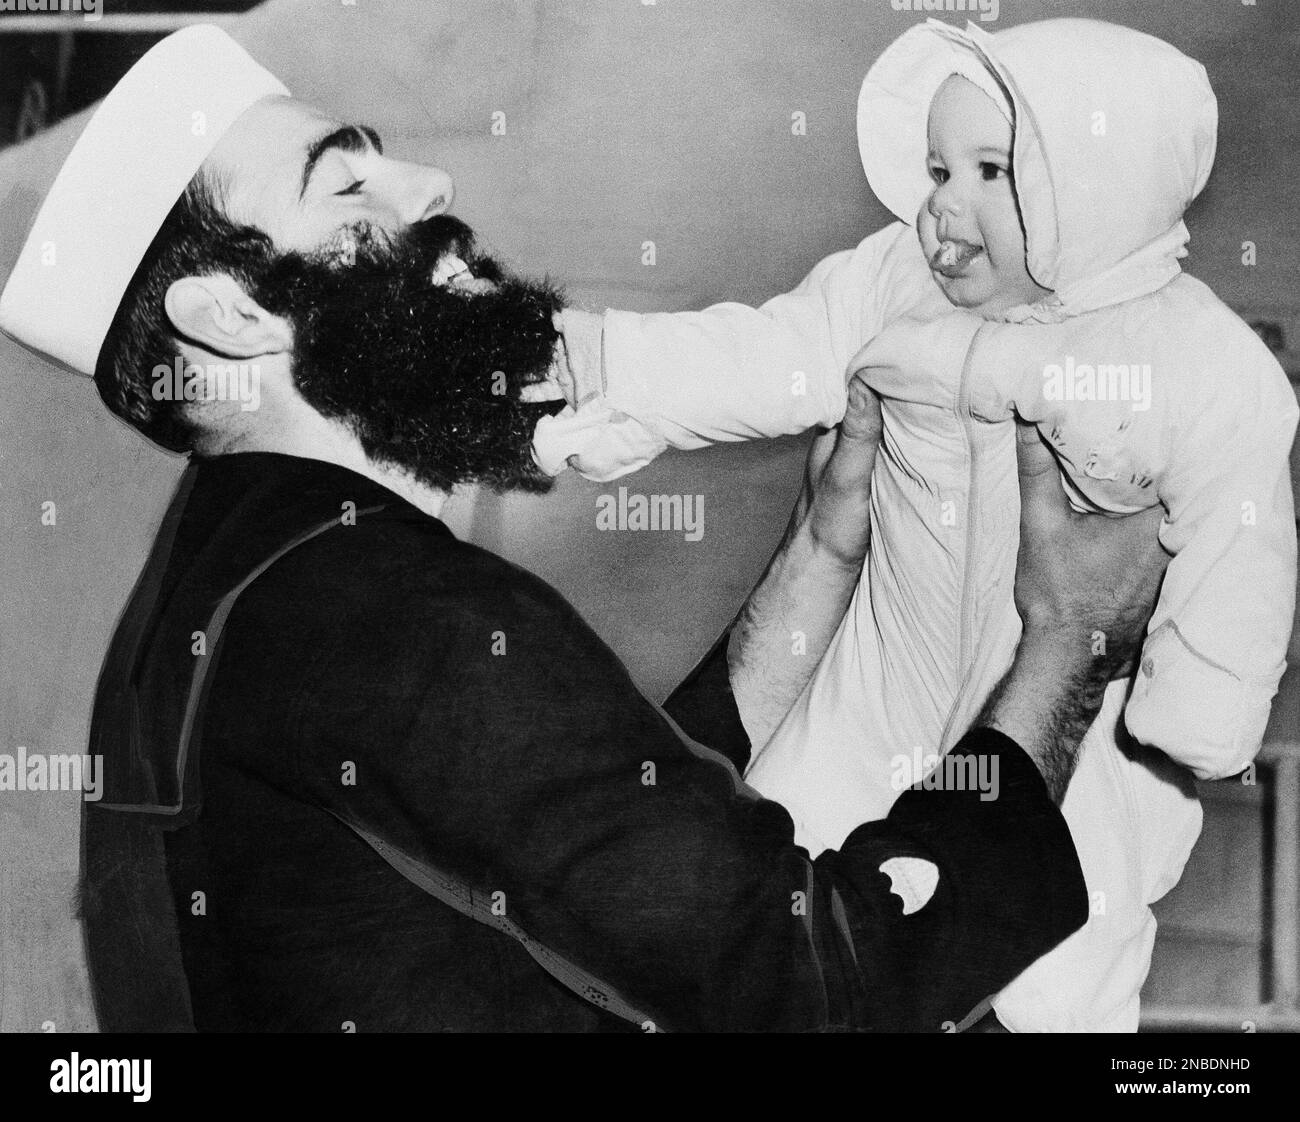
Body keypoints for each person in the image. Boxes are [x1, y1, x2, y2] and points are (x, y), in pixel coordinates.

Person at [1, 26, 1166, 1033]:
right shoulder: (396, 612)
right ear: (235, 313)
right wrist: (1067, 640)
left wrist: (819, 556)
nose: (429, 183)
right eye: (346, 187)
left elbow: (591, 826)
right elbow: (820, 989)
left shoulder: (245, 583)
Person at [535, 18, 1298, 1030]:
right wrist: (602, 362)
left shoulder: (1195, 358)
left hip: (1059, 703)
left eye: (993, 170)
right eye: (938, 169)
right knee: (776, 847)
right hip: (882, 665)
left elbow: (1241, 531)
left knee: (1064, 934)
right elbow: (775, 355)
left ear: (1106, 179)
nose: (944, 206)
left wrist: (1204, 709)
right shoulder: (890, 281)